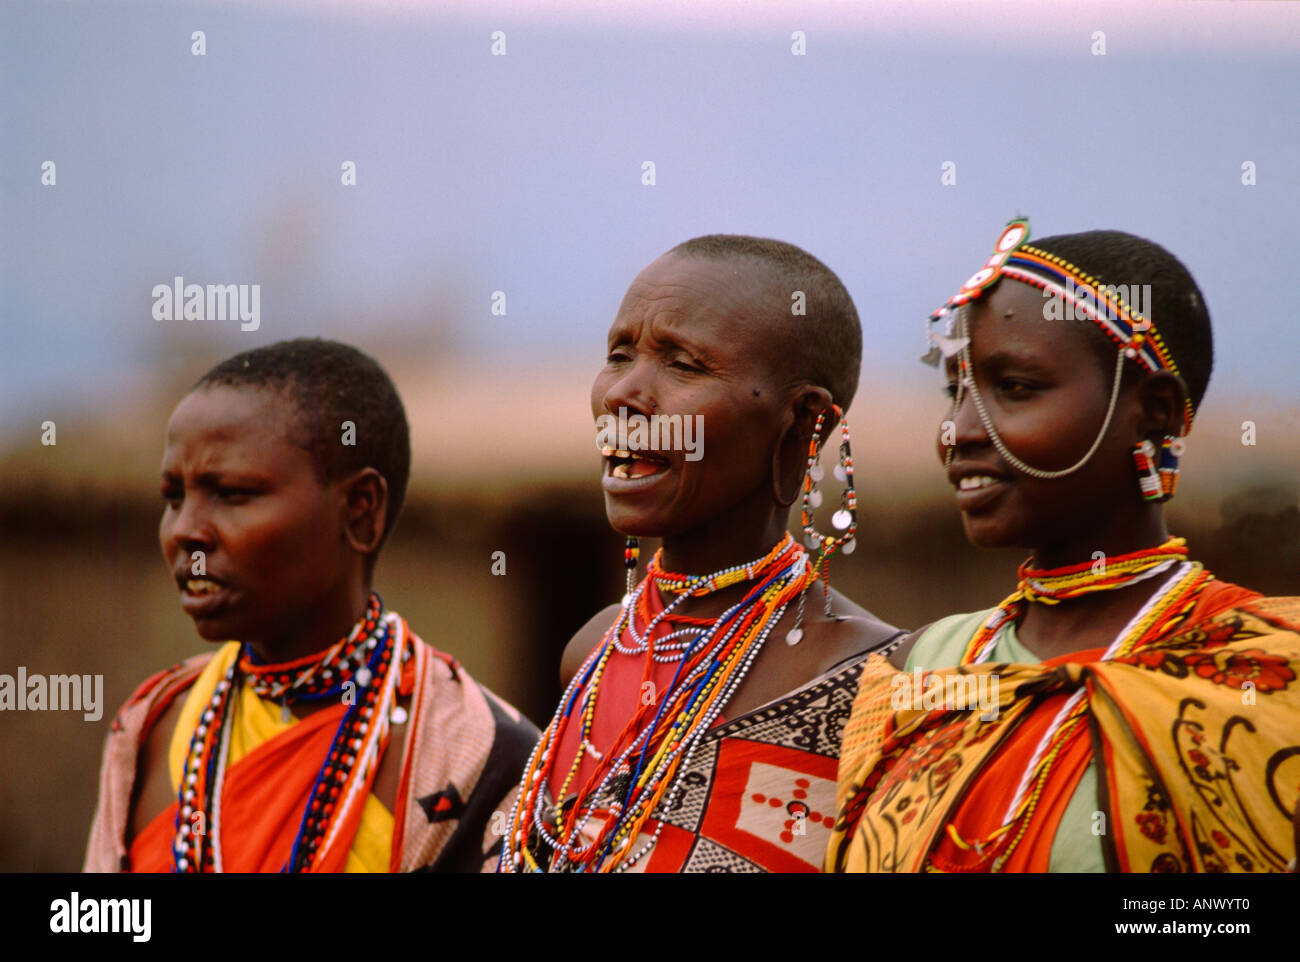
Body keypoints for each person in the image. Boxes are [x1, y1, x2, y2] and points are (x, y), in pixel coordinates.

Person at [827, 219, 1300, 873]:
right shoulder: (919, 669)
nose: (959, 430)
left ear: (1153, 410)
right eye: (954, 392)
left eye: (1015, 389)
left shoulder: (1267, 673)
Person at [501, 235, 904, 873]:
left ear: (805, 426)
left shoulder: (873, 682)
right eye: (618, 354)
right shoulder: (596, 652)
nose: (621, 396)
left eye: (683, 365)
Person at [84, 338, 538, 873]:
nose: (185, 531)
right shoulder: (152, 729)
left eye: (231, 493)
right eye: (174, 497)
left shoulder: (470, 754)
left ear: (360, 512)